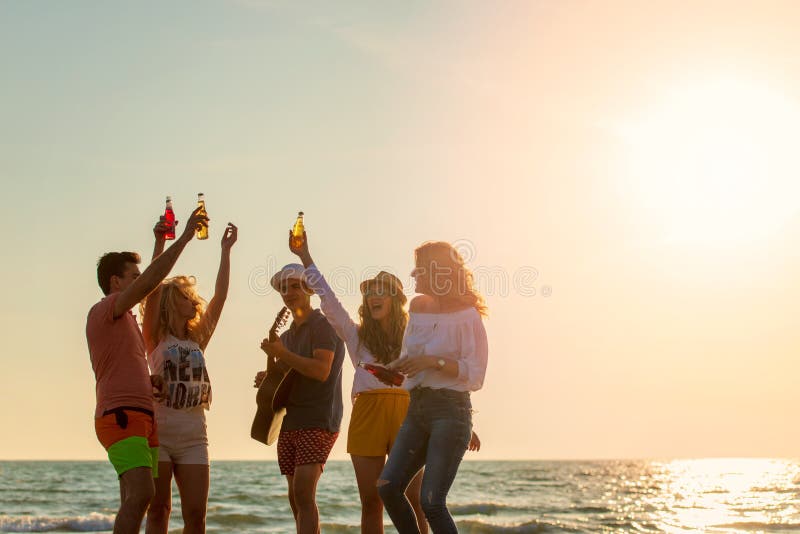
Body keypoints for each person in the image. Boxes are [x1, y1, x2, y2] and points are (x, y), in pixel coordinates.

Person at [289, 231, 427, 534]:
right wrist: (305, 257)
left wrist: (461, 418)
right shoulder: (355, 336)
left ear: (395, 299)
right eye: (370, 292)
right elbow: (328, 299)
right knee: (371, 501)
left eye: (382, 291)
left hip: (408, 414)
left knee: (416, 499)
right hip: (367, 414)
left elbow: (433, 377)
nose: (374, 296)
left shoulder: (414, 336)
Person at [86, 206, 207, 534]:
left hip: (143, 418)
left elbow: (149, 288)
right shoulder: (105, 309)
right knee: (142, 495)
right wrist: (183, 239)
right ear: (116, 281)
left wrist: (148, 379)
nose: (139, 284)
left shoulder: (126, 320)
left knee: (138, 498)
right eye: (132, 278)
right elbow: (152, 283)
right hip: (119, 415)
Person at [378, 241, 489, 534]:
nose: (413, 276)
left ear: (437, 272)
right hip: (417, 408)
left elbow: (474, 374)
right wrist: (393, 370)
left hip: (450, 412)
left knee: (431, 502)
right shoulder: (418, 309)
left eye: (419, 270)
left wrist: (432, 361)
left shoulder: (468, 316)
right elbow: (411, 358)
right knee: (388, 487)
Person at [142, 220, 238, 534]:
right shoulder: (155, 337)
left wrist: (225, 252)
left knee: (196, 516)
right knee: (159, 510)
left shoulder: (198, 339)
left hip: (195, 432)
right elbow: (151, 287)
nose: (193, 300)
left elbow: (220, 297)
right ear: (171, 303)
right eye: (185, 296)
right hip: (160, 430)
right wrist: (160, 244)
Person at [255, 261, 345, 534]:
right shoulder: (287, 335)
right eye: (284, 288)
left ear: (309, 289)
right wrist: (268, 377)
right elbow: (291, 373)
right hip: (291, 420)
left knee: (304, 493)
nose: (289, 292)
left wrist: (281, 354)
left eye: (295, 286)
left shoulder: (323, 325)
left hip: (319, 418)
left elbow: (320, 370)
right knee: (296, 498)